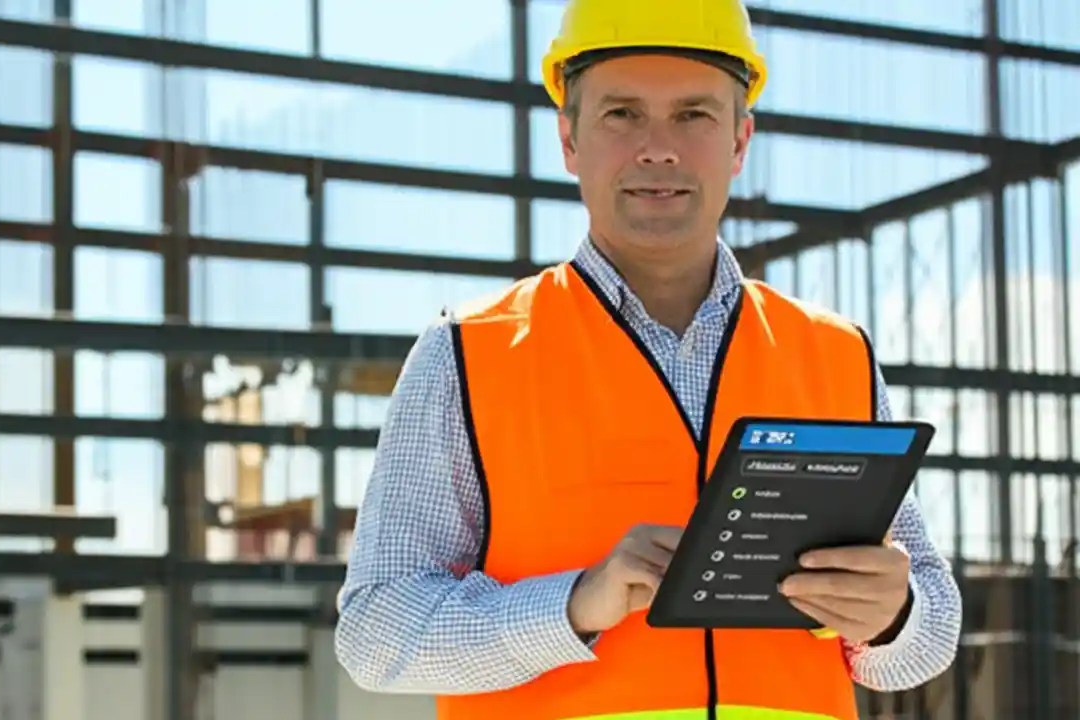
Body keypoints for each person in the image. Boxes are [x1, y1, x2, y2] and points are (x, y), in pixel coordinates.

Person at [334, 1, 962, 718]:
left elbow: (929, 635)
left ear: (739, 141)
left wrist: (893, 612)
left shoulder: (836, 355)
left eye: (693, 114)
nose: (657, 148)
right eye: (622, 114)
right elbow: (375, 633)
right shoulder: (466, 357)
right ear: (569, 139)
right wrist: (574, 604)